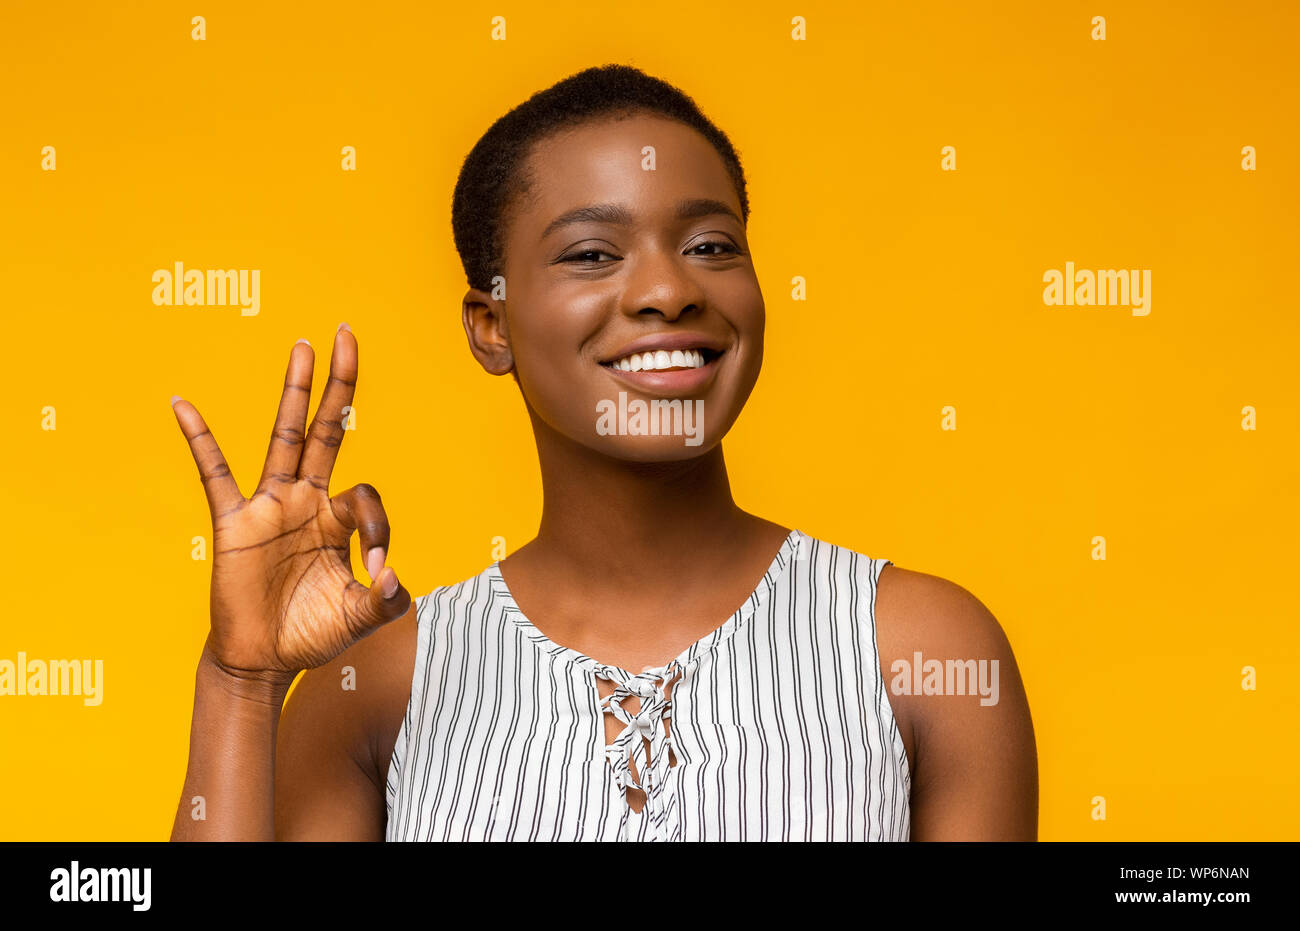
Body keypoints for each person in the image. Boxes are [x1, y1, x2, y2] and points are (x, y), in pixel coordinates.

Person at [169, 64, 1037, 842]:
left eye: (710, 246)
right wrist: (240, 680)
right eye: (592, 254)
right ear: (491, 325)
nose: (668, 289)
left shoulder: (921, 648)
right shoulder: (378, 687)